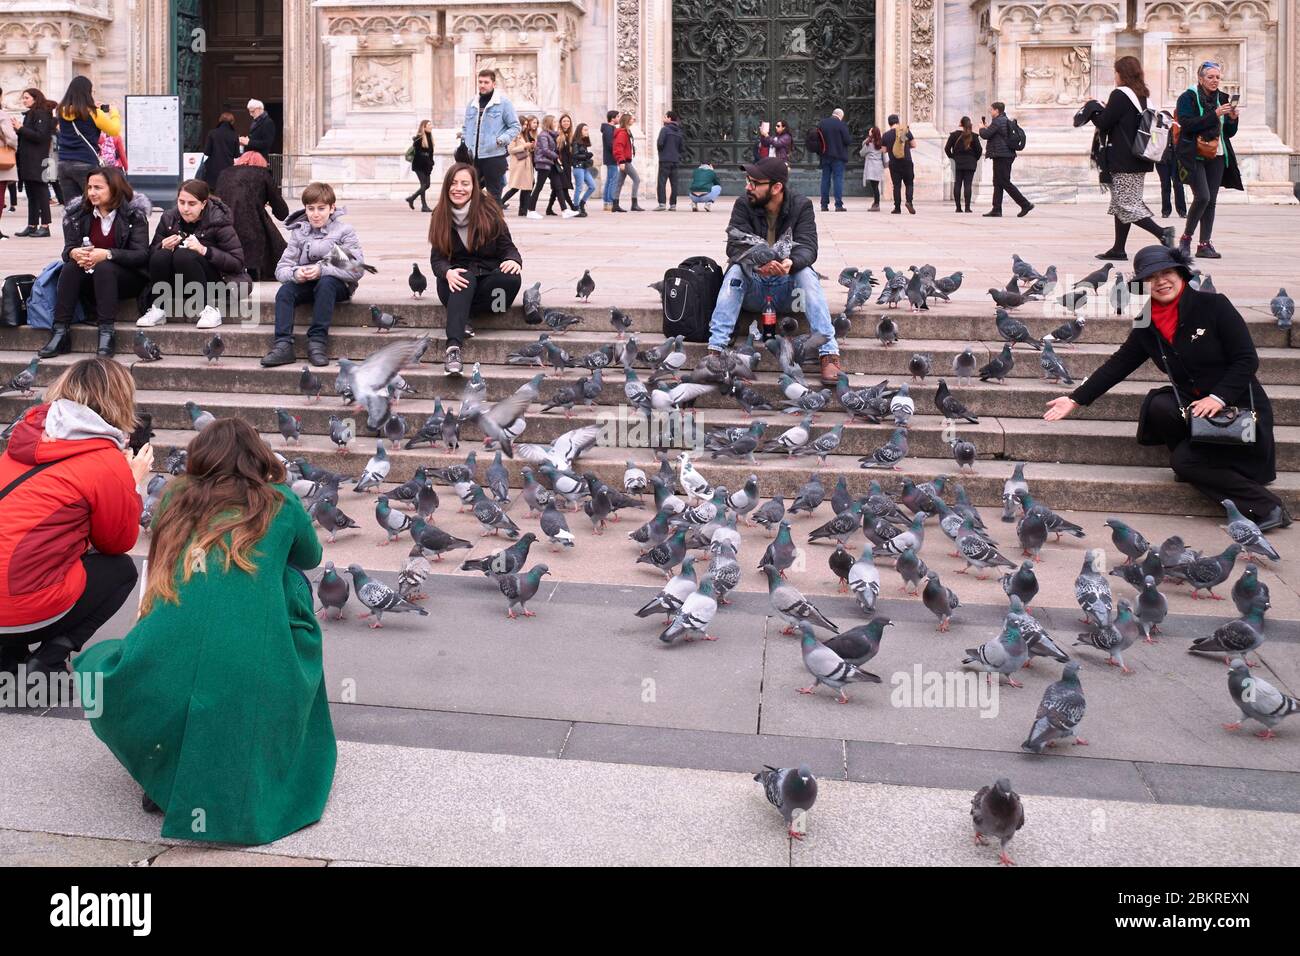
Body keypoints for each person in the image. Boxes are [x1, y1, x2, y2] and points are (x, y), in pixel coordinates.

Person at [74, 417, 336, 844]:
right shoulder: (280, 503)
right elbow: (309, 556)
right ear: (259, 458)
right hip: (251, 664)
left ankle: (164, 772)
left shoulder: (175, 495)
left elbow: (159, 564)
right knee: (289, 580)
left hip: (162, 657)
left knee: (161, 661)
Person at [1045, 245, 1290, 530]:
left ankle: (1267, 506)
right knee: (1159, 405)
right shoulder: (1148, 322)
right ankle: (1200, 461)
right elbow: (1120, 363)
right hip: (1201, 414)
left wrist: (1218, 397)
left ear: (1181, 274)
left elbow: (1247, 360)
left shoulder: (1214, 306)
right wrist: (1075, 400)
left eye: (1167, 273)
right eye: (1151, 277)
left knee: (1183, 462)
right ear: (1143, 284)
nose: (1161, 281)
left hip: (1240, 413)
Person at [0, 358, 147, 680]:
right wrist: (132, 484)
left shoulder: (17, 446)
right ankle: (48, 661)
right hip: (22, 611)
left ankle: (7, 657)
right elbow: (117, 542)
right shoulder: (103, 461)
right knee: (119, 570)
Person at [708, 157, 841, 384]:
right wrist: (759, 264)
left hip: (788, 293)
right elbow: (734, 246)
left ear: (776, 187)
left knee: (807, 273)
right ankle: (716, 351)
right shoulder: (743, 204)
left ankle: (828, 353)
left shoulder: (801, 206)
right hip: (754, 289)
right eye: (748, 180)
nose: (747, 186)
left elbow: (809, 246)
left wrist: (790, 263)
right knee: (735, 271)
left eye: (754, 182)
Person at [38, 166, 151, 359]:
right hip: (89, 278)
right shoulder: (77, 214)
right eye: (89, 187)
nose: (91, 192)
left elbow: (141, 255)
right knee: (70, 267)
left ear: (114, 188)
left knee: (105, 267)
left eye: (98, 187)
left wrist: (108, 254)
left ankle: (107, 332)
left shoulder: (133, 215)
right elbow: (68, 249)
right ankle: (60, 332)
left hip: (126, 279)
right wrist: (74, 253)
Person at [428, 163, 523, 375]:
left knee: (511, 279)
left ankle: (466, 313)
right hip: (455, 285)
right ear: (446, 187)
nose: (458, 188)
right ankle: (453, 347)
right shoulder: (440, 214)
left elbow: (508, 248)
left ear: (474, 187)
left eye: (465, 183)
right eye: (453, 183)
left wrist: (514, 260)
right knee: (465, 277)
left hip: (489, 288)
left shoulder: (489, 211)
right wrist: (447, 272)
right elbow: (437, 260)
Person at [261, 181, 367, 368]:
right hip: (308, 283)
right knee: (285, 292)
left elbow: (356, 269)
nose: (315, 214)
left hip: (337, 285)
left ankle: (317, 342)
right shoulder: (299, 233)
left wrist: (322, 269)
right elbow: (282, 269)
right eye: (310, 209)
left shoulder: (344, 231)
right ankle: (283, 345)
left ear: (332, 208)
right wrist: (296, 273)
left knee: (326, 282)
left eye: (321, 208)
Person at [1089, 57, 1174, 260]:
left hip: (1123, 158)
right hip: (1139, 157)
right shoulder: (1143, 95)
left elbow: (1105, 122)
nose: (1115, 76)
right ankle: (1118, 249)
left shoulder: (1120, 94)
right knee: (1122, 203)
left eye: (1116, 72)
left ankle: (1162, 233)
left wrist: (1092, 108)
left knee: (1126, 204)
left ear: (1122, 74)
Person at [137, 179, 248, 331]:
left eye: (192, 203)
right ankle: (158, 308)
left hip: (216, 281)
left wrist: (204, 250)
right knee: (160, 255)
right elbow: (150, 256)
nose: (185, 208)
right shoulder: (169, 218)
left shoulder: (218, 220)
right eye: (181, 202)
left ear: (203, 204)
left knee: (184, 255)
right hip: (178, 281)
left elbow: (237, 262)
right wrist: (161, 245)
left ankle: (209, 309)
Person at [1175, 61, 1240, 259]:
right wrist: (1215, 114)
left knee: (1211, 200)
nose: (1214, 81)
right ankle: (1186, 238)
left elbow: (1229, 133)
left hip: (1217, 153)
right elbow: (1186, 124)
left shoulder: (1222, 98)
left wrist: (1232, 119)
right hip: (1194, 153)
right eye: (1210, 77)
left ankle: (1204, 244)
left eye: (1218, 77)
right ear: (1201, 78)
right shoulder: (1188, 97)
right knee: (1202, 196)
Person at [214, 151, 289, 281]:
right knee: (261, 222)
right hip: (252, 230)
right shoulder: (263, 174)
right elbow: (282, 213)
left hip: (223, 224)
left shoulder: (224, 173)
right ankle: (256, 272)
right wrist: (267, 202)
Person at [54, 76, 120, 206]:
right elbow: (114, 130)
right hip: (85, 162)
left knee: (72, 207)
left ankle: (72, 227)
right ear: (87, 93)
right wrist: (114, 113)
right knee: (91, 205)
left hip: (64, 163)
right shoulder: (94, 113)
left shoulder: (61, 111)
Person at [460, 68, 521, 204]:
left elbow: (515, 126)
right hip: (473, 157)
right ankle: (474, 223)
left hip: (494, 156)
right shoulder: (472, 104)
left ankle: (496, 224)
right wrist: (464, 141)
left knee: (494, 197)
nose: (482, 85)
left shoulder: (504, 103)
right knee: (468, 194)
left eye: (486, 82)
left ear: (494, 84)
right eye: (480, 82)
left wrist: (501, 140)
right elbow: (466, 127)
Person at [12, 88, 54, 237]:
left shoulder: (41, 113)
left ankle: (45, 226)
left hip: (38, 160)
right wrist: (18, 129)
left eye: (27, 98)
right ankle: (32, 225)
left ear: (36, 98)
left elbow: (40, 136)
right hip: (28, 159)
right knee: (31, 193)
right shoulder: (31, 114)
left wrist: (21, 128)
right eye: (23, 98)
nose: (24, 100)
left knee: (41, 192)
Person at [979, 102, 1033, 217]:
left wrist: (981, 129)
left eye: (992, 110)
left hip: (1002, 155)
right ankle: (996, 209)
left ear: (997, 111)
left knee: (1004, 182)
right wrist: (988, 128)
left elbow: (986, 135)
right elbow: (995, 134)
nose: (990, 111)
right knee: (998, 182)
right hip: (1004, 155)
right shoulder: (1003, 120)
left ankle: (1025, 204)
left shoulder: (998, 121)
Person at [527, 115, 577, 219]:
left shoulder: (551, 135)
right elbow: (545, 150)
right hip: (543, 163)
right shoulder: (543, 135)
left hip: (550, 163)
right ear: (549, 123)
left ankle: (565, 210)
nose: (556, 124)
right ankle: (530, 210)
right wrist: (556, 156)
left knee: (558, 186)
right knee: (539, 187)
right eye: (554, 122)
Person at [816, 108, 852, 212]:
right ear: (840, 116)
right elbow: (847, 140)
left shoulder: (822, 123)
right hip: (838, 157)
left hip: (825, 155)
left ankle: (824, 205)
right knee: (837, 179)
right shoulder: (841, 125)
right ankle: (838, 205)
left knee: (825, 179)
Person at [501, 115, 537, 216]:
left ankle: (523, 211)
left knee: (526, 188)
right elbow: (510, 150)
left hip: (526, 164)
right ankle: (500, 203)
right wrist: (525, 146)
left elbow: (524, 149)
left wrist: (531, 147)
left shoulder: (524, 135)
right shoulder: (514, 135)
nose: (525, 126)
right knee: (516, 187)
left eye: (526, 124)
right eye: (523, 124)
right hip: (519, 165)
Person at [944, 117, 981, 213]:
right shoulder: (974, 136)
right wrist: (974, 159)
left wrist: (952, 157)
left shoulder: (954, 135)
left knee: (957, 184)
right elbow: (979, 151)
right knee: (968, 185)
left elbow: (947, 148)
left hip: (957, 162)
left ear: (960, 124)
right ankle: (967, 208)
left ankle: (958, 207)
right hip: (970, 163)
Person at [881, 114, 915, 214]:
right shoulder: (904, 132)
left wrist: (891, 148)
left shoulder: (886, 135)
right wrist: (906, 147)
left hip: (894, 163)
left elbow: (883, 150)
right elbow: (914, 144)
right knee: (909, 184)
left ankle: (897, 208)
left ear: (889, 123)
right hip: (907, 161)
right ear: (898, 122)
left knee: (896, 185)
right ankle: (909, 202)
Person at [611, 112, 644, 212]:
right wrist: (621, 161)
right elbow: (618, 148)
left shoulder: (626, 132)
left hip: (625, 160)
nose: (633, 119)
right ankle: (634, 204)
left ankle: (615, 204)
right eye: (631, 118)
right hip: (625, 161)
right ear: (626, 120)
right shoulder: (622, 133)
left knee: (619, 182)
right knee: (637, 180)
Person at [199, 111, 240, 191]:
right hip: (228, 168)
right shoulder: (234, 135)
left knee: (213, 191)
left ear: (220, 120)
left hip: (212, 168)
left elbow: (207, 152)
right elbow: (236, 154)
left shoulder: (212, 133)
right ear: (232, 122)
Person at [546, 113, 577, 216]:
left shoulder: (570, 135)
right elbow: (555, 151)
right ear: (560, 123)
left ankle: (549, 209)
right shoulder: (558, 135)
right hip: (559, 165)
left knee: (557, 188)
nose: (566, 123)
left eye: (568, 121)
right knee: (563, 187)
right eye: (564, 121)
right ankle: (573, 208)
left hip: (567, 165)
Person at [655, 110, 684, 211]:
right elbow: (681, 148)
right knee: (674, 183)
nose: (663, 118)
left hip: (665, 160)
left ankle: (662, 204)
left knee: (662, 182)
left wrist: (662, 153)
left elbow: (660, 143)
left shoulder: (665, 130)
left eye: (665, 117)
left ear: (669, 118)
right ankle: (673, 205)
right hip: (675, 160)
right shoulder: (679, 131)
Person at [1155, 129, 1186, 219]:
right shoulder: (1159, 121)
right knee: (1165, 185)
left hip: (1175, 157)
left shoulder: (1177, 121)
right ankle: (1166, 211)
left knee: (1178, 184)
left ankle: (1182, 211)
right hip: (1161, 158)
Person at [406, 120, 435, 212]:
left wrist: (431, 162)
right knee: (424, 185)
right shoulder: (419, 138)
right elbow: (418, 154)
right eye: (429, 125)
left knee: (427, 185)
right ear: (424, 127)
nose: (431, 126)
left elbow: (431, 153)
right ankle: (424, 206)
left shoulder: (430, 137)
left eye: (431, 124)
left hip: (427, 165)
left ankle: (412, 198)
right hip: (419, 165)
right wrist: (427, 161)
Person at [0, 88, 18, 240]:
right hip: (1, 159)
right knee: (0, 195)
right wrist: (14, 146)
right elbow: (11, 137)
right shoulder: (2, 114)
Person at [570, 123, 597, 217]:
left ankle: (582, 203)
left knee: (592, 186)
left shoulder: (584, 142)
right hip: (578, 167)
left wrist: (588, 156)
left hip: (584, 168)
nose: (587, 132)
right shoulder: (575, 142)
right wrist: (586, 155)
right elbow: (574, 155)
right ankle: (576, 208)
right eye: (585, 130)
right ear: (580, 131)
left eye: (587, 130)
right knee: (579, 188)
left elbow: (582, 155)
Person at [859, 126, 885, 212]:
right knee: (876, 186)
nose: (869, 132)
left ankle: (876, 204)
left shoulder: (869, 144)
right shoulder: (881, 143)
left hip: (871, 167)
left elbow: (861, 153)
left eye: (870, 131)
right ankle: (875, 203)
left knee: (874, 187)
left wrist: (867, 139)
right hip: (878, 166)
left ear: (872, 133)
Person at [600, 109, 620, 211]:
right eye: (617, 117)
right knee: (613, 180)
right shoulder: (609, 129)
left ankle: (607, 202)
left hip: (610, 157)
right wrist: (618, 153)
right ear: (612, 118)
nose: (619, 118)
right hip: (611, 157)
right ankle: (610, 202)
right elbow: (610, 144)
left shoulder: (610, 128)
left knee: (610, 179)